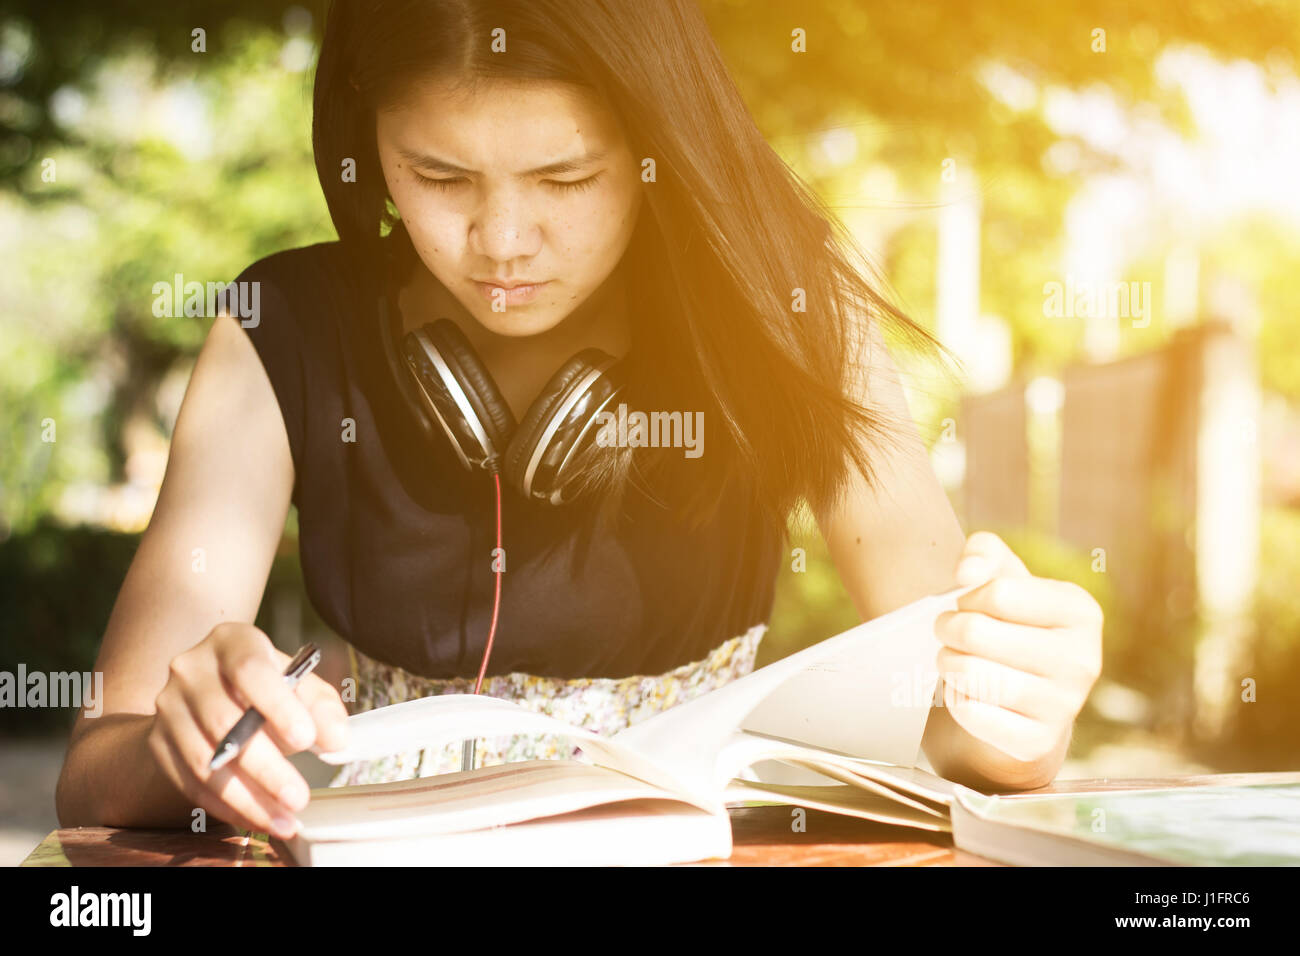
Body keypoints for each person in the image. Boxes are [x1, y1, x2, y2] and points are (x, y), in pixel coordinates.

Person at [56, 0, 1102, 842]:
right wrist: (181, 744)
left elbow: (959, 727)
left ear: (660, 150)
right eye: (437, 175)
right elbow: (93, 773)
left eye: (566, 176)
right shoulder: (275, 327)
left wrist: (1021, 711)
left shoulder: (791, 313)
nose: (502, 240)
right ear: (365, 142)